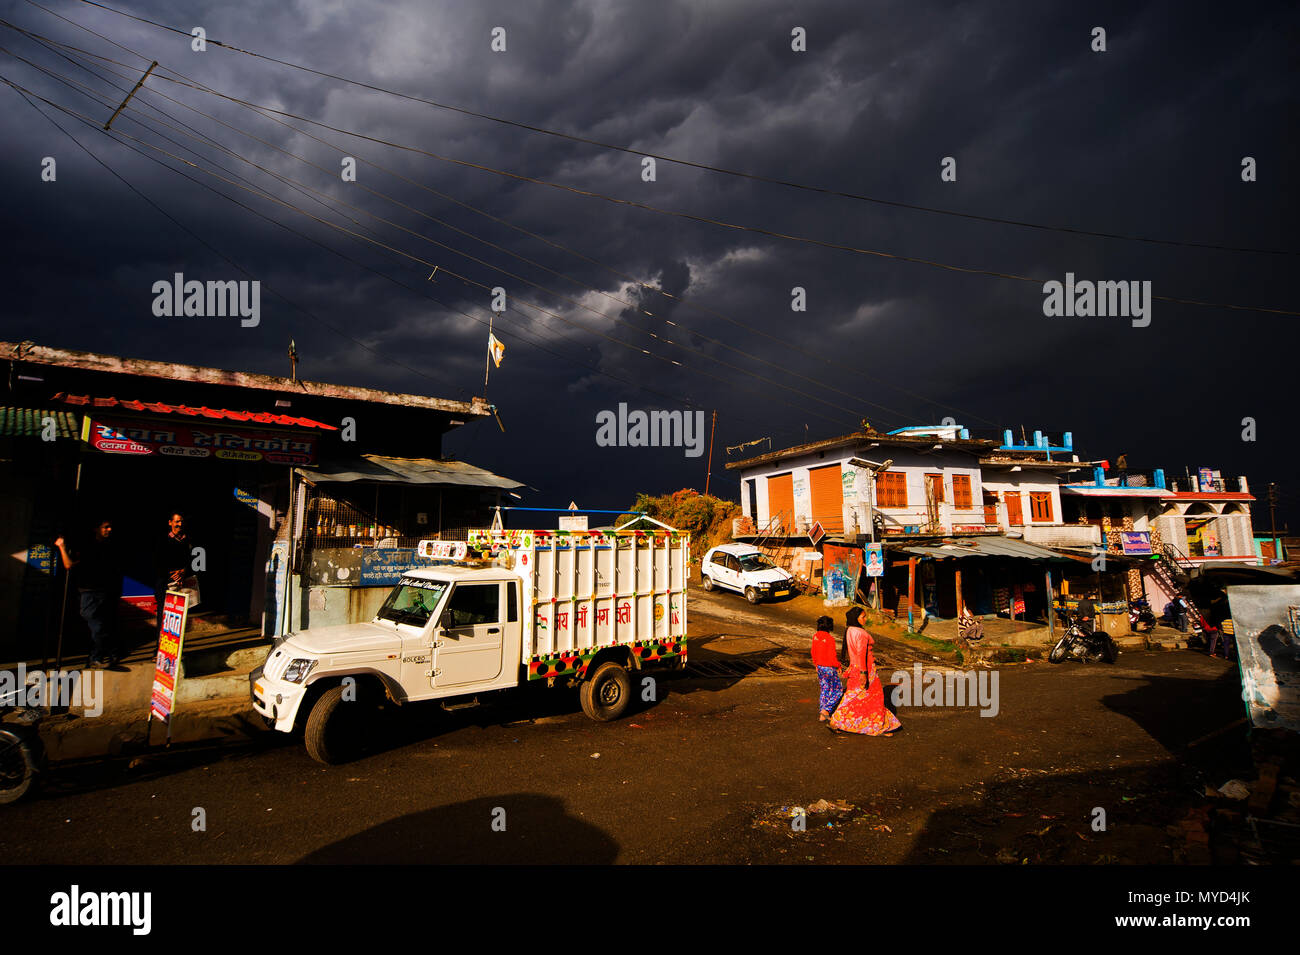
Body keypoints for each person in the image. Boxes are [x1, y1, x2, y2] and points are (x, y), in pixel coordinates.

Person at [55, 519, 122, 668]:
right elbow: (68, 564)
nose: (109, 530)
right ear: (96, 529)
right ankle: (104, 654)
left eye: (110, 527)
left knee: (103, 625)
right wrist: (61, 547)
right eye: (106, 527)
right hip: (88, 593)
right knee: (97, 625)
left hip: (105, 592)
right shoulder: (87, 547)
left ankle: (100, 656)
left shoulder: (110, 547)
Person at [828, 607, 901, 736]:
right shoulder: (861, 633)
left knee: (852, 696)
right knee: (876, 698)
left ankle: (836, 720)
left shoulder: (850, 630)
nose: (865, 619)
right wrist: (863, 673)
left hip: (854, 667)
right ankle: (878, 727)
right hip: (865, 668)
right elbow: (861, 654)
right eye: (863, 617)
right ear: (856, 618)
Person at [155, 511, 194, 628]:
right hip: (164, 582)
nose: (180, 524)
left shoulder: (187, 540)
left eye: (181, 521)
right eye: (177, 521)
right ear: (170, 523)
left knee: (179, 615)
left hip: (181, 583)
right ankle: (160, 643)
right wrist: (171, 573)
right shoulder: (162, 540)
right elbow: (158, 562)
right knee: (164, 614)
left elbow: (192, 560)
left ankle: (176, 645)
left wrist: (183, 571)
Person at [811, 615, 843, 722]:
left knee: (825, 688)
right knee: (838, 690)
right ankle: (826, 709)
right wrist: (838, 665)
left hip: (820, 667)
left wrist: (816, 664)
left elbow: (813, 652)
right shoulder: (830, 639)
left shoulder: (815, 636)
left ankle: (822, 712)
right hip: (829, 668)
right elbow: (832, 656)